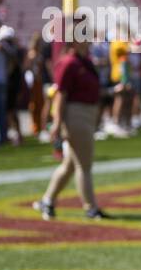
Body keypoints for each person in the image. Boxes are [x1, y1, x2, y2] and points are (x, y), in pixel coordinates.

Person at [33, 30, 109, 220]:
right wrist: (57, 123)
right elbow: (60, 96)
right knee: (84, 165)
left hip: (86, 113)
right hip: (76, 114)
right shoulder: (69, 63)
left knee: (69, 165)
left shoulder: (85, 61)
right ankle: (90, 207)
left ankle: (47, 200)